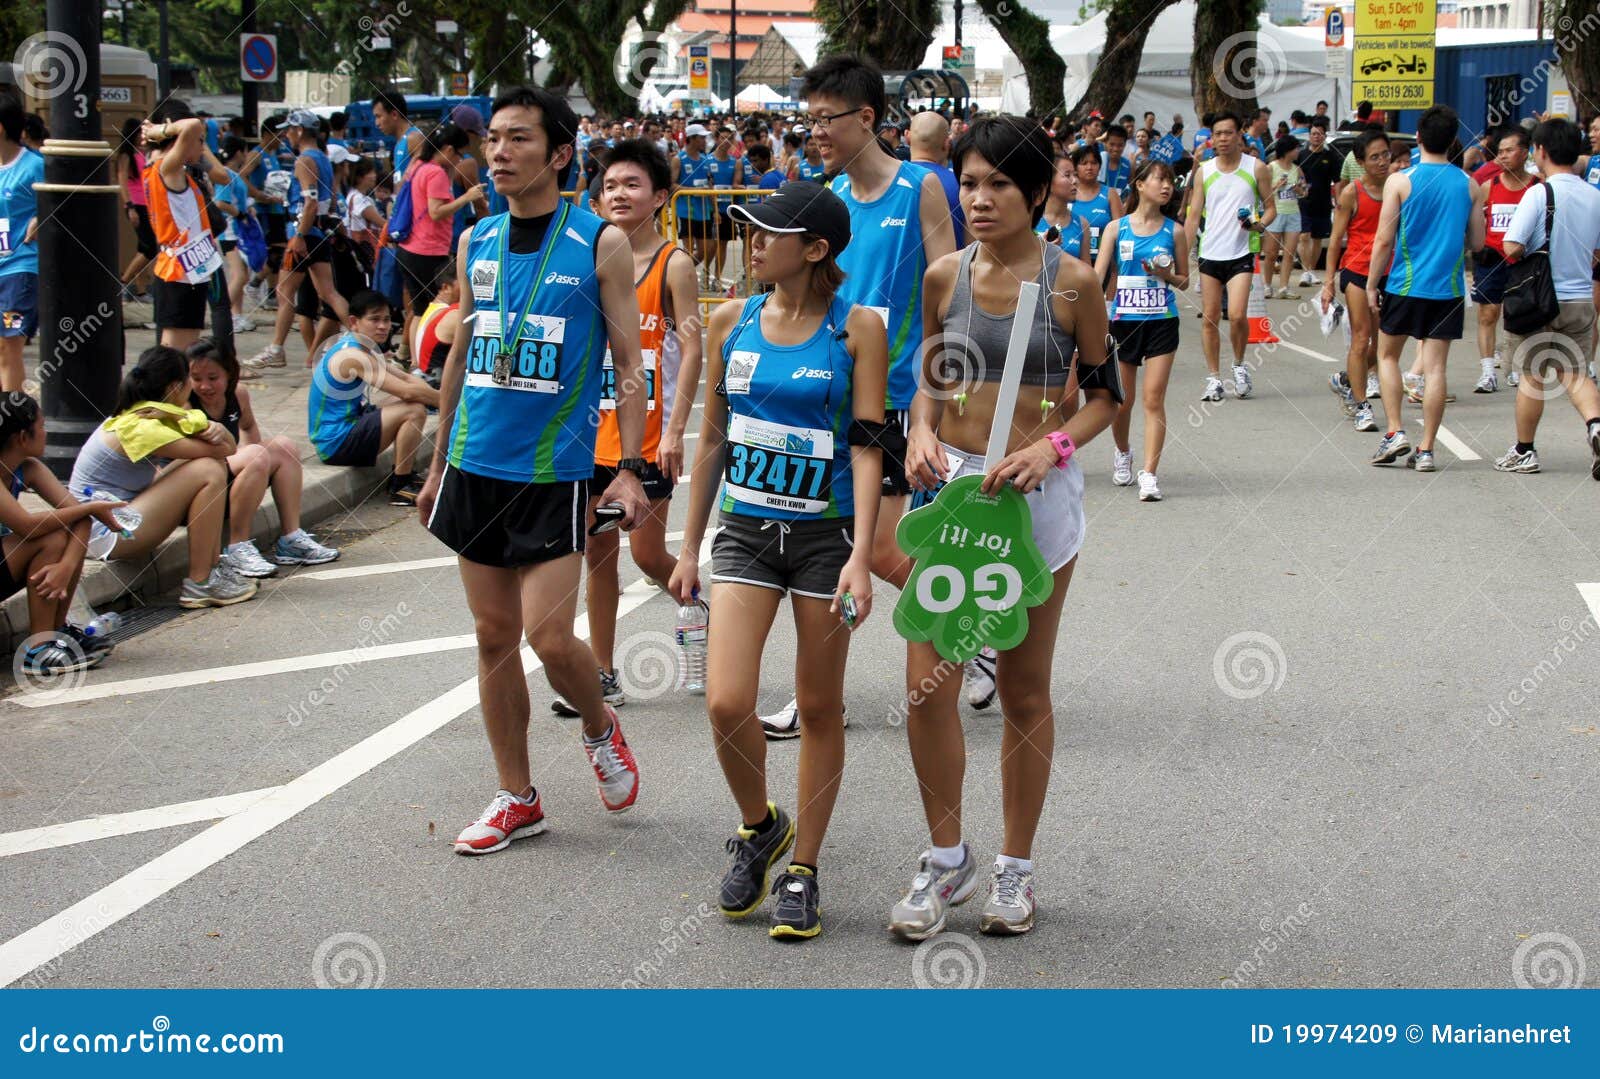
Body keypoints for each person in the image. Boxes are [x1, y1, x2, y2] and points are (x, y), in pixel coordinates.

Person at [892, 116, 1120, 941]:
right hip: (949, 500)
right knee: (926, 687)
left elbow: (1104, 392)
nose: (979, 198)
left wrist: (1051, 447)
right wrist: (919, 429)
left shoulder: (1074, 283)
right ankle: (944, 855)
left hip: (1035, 502)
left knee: (1024, 688)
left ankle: (1015, 868)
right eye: (969, 182)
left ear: (1034, 189)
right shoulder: (944, 275)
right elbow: (930, 368)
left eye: (997, 183)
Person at [416, 86, 650, 856]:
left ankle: (598, 725)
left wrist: (631, 466)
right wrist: (437, 456)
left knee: (551, 638)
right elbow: (460, 351)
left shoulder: (598, 243)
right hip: (476, 461)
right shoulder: (475, 239)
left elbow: (628, 364)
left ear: (558, 154)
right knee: (492, 637)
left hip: (555, 468)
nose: (500, 153)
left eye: (519, 139)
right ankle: (517, 796)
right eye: (494, 141)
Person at [668, 180, 886, 939]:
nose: (753, 243)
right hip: (746, 533)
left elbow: (866, 444)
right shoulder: (731, 319)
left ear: (816, 249)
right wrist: (689, 547)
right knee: (727, 701)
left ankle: (804, 871)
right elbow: (714, 442)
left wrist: (862, 552)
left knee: (819, 706)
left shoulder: (856, 330)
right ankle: (760, 826)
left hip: (827, 540)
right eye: (749, 230)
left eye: (768, 233)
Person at [759, 54, 956, 738]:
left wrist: (936, 409)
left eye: (823, 118)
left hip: (896, 400)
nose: (812, 131)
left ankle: (956, 619)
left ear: (866, 117)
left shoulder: (919, 189)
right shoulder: (824, 200)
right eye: (806, 119)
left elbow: (948, 300)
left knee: (872, 548)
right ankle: (816, 696)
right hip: (827, 400)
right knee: (823, 545)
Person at [550, 139, 704, 713]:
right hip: (592, 433)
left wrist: (673, 431)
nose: (618, 193)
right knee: (597, 555)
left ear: (660, 196)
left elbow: (691, 351)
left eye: (632, 184)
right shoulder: (592, 257)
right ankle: (604, 672)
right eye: (610, 184)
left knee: (645, 555)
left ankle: (695, 602)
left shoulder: (674, 263)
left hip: (645, 437)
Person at [68, 346, 257, 608]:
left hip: (114, 520)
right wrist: (209, 425)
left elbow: (224, 447)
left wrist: (180, 415)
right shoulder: (142, 425)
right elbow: (227, 448)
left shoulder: (148, 413)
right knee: (209, 469)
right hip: (104, 534)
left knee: (209, 464)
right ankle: (200, 582)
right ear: (175, 387)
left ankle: (212, 569)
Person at [1365, 105, 1486, 472]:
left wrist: (1372, 284)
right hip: (1447, 289)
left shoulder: (1400, 181)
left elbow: (1384, 240)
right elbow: (1478, 243)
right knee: (1435, 370)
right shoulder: (1469, 184)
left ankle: (1396, 431)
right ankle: (1428, 449)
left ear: (1418, 137)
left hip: (1404, 284)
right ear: (1453, 141)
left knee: (1387, 357)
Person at [1493, 118, 1600, 477]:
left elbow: (1511, 246)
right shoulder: (1593, 195)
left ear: (1540, 151)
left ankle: (1525, 450)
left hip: (1539, 300)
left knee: (1533, 376)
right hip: (1581, 299)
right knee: (1575, 372)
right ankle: (1596, 425)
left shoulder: (1539, 193)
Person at [188, 339, 339, 571]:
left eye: (213, 378)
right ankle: (237, 547)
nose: (205, 386)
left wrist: (251, 460)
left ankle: (291, 538)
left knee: (285, 446)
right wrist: (249, 458)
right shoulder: (186, 405)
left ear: (229, 374)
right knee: (256, 455)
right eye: (196, 379)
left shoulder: (237, 394)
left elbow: (248, 427)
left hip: (229, 475)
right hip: (201, 491)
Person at [0, 392, 120, 674]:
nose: (46, 431)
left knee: (61, 532)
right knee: (50, 536)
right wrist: (89, 508)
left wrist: (66, 567)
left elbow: (82, 517)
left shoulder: (28, 468)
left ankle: (54, 637)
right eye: (41, 426)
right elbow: (27, 526)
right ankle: (39, 650)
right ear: (21, 437)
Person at [1096, 160, 1188, 501]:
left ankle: (1149, 473)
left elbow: (1185, 280)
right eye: (1159, 180)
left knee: (1153, 398)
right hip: (1125, 321)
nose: (1166, 187)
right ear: (1140, 185)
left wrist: (1165, 276)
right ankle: (1123, 452)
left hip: (1162, 320)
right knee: (1123, 400)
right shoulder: (1116, 229)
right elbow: (1098, 274)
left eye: (1169, 182)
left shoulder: (1174, 230)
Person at [308, 290, 437, 504]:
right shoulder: (353, 356)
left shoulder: (361, 346)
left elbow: (407, 379)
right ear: (354, 322)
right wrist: (450, 402)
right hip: (335, 443)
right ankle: (400, 485)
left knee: (408, 403)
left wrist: (437, 395)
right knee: (413, 409)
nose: (383, 326)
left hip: (345, 430)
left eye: (387, 319)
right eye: (374, 319)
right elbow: (407, 390)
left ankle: (406, 474)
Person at [244, 111, 350, 369]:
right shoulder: (323, 159)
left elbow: (310, 202)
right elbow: (331, 199)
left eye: (289, 130)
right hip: (319, 233)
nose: (285, 135)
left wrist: (300, 235)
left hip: (304, 233)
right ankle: (359, 334)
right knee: (329, 292)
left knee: (284, 291)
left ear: (300, 130)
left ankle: (276, 348)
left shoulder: (304, 160)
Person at [1184, 111, 1273, 402]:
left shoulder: (1257, 167)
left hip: (1242, 251)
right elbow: (1194, 214)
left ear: (1239, 135)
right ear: (1212, 138)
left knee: (1236, 315)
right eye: (1217, 134)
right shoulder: (1204, 171)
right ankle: (1213, 378)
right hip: (1210, 253)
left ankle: (1238, 365)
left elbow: (1270, 208)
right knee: (1210, 318)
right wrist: (1183, 253)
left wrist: (1259, 224)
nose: (1222, 139)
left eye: (1228, 133)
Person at [141, 104, 227, 352]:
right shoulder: (167, 169)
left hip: (187, 269)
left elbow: (218, 171)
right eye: (200, 141)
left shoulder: (162, 168)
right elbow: (191, 126)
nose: (202, 148)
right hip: (180, 270)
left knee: (181, 350)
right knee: (175, 354)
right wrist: (161, 129)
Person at [1322, 128, 1391, 434]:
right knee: (1361, 339)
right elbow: (1336, 239)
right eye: (1374, 157)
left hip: (1391, 274)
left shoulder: (1397, 187)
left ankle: (1348, 381)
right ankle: (1363, 407)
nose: (1382, 162)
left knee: (1383, 344)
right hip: (1357, 272)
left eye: (1385, 155)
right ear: (1361, 162)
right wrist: (1327, 282)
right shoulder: (1352, 192)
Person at [1471, 129, 1536, 395]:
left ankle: (1516, 367)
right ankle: (1488, 372)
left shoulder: (1537, 187)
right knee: (1488, 314)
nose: (1503, 156)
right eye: (1500, 152)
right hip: (1492, 258)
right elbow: (1476, 221)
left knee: (1520, 316)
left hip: (1523, 260)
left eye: (1509, 150)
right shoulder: (1490, 186)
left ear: (1525, 152)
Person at [0, 91, 44, 391]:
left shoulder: (34, 166)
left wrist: (45, 216)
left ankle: (10, 424)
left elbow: (62, 204)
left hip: (20, 268)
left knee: (8, 344)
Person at [212, 136, 256, 335]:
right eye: (245, 151)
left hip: (238, 230)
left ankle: (235, 315)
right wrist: (241, 214)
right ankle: (221, 314)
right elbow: (221, 203)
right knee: (239, 275)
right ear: (239, 152)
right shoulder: (226, 175)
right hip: (229, 231)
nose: (247, 156)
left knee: (241, 273)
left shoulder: (232, 174)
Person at [114, 116, 157, 299]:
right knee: (149, 249)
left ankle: (140, 290)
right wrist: (129, 206)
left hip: (146, 204)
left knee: (143, 247)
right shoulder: (126, 155)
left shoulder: (140, 152)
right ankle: (124, 281)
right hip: (136, 205)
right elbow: (122, 181)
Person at [1295, 117, 1340, 289]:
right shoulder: (1301, 155)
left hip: (1323, 202)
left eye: (1320, 134)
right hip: (1303, 202)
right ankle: (1306, 271)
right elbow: (1294, 175)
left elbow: (1337, 181)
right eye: (1313, 133)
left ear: (1324, 136)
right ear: (1309, 136)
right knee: (1303, 236)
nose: (1316, 137)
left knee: (1317, 238)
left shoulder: (1331, 156)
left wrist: (1339, 199)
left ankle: (1311, 271)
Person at [909, 110, 965, 246]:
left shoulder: (886, 180)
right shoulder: (962, 184)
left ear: (907, 137)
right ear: (947, 144)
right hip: (954, 265)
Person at [1261, 136, 1307, 299]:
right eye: (1295, 148)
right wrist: (1276, 186)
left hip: (1293, 213)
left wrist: (1299, 190)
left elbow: (1304, 191)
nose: (1297, 151)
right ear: (1287, 150)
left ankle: (1284, 287)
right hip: (1276, 212)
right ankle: (1266, 285)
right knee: (1271, 253)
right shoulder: (1271, 168)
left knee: (1289, 252)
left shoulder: (1297, 169)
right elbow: (1263, 192)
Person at [670, 123, 716, 280]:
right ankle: (680, 279)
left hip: (704, 211)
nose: (705, 141)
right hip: (686, 210)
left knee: (704, 250)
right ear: (692, 139)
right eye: (702, 137)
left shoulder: (705, 159)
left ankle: (678, 274)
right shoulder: (679, 160)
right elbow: (672, 184)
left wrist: (715, 210)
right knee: (688, 250)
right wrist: (692, 190)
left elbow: (710, 184)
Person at [1069, 143, 1122, 265]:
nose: (1089, 167)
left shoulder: (1110, 194)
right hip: (1071, 263)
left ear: (1100, 166)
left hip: (1104, 262)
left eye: (1094, 163)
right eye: (1084, 163)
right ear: (1075, 168)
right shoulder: (1067, 192)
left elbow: (1121, 233)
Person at [411, 261, 459, 386]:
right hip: (433, 381)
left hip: (426, 374)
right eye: (464, 282)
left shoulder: (433, 308)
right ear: (446, 287)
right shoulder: (447, 312)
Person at [708, 125, 745, 285]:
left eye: (729, 138)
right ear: (716, 139)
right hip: (710, 209)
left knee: (722, 245)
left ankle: (717, 277)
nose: (725, 141)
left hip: (727, 209)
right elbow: (708, 186)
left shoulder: (735, 163)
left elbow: (736, 183)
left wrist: (741, 187)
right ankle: (705, 272)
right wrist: (714, 209)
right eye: (722, 138)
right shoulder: (707, 161)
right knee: (710, 245)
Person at [1037, 154, 1092, 263]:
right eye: (1067, 175)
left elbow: (1087, 273)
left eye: (1075, 175)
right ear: (1049, 183)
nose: (1075, 181)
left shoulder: (1082, 224)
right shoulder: (1028, 220)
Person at [371, 86, 423, 182]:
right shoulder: (400, 143)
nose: (376, 123)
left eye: (379, 116)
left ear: (394, 114)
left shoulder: (414, 139)